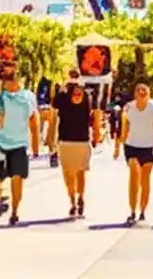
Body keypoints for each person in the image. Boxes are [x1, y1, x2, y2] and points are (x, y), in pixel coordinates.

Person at [0, 61, 39, 226]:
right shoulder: (3, 99)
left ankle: (12, 209)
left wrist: (35, 145)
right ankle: (1, 200)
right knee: (0, 179)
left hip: (15, 145)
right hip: (4, 144)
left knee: (14, 178)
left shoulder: (26, 98)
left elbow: (33, 121)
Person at [118, 83, 153, 225]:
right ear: (135, 94)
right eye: (138, 90)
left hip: (148, 147)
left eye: (144, 90)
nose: (142, 92)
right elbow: (125, 127)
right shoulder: (129, 108)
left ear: (149, 93)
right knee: (134, 176)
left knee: (145, 179)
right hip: (132, 146)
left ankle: (143, 209)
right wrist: (119, 143)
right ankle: (132, 210)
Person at [53, 69, 94, 218]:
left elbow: (92, 111)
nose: (74, 80)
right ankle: (73, 201)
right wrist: (64, 86)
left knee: (79, 172)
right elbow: (54, 105)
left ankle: (80, 197)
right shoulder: (63, 95)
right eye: (72, 77)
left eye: (76, 76)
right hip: (66, 139)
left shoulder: (86, 95)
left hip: (80, 139)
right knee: (69, 173)